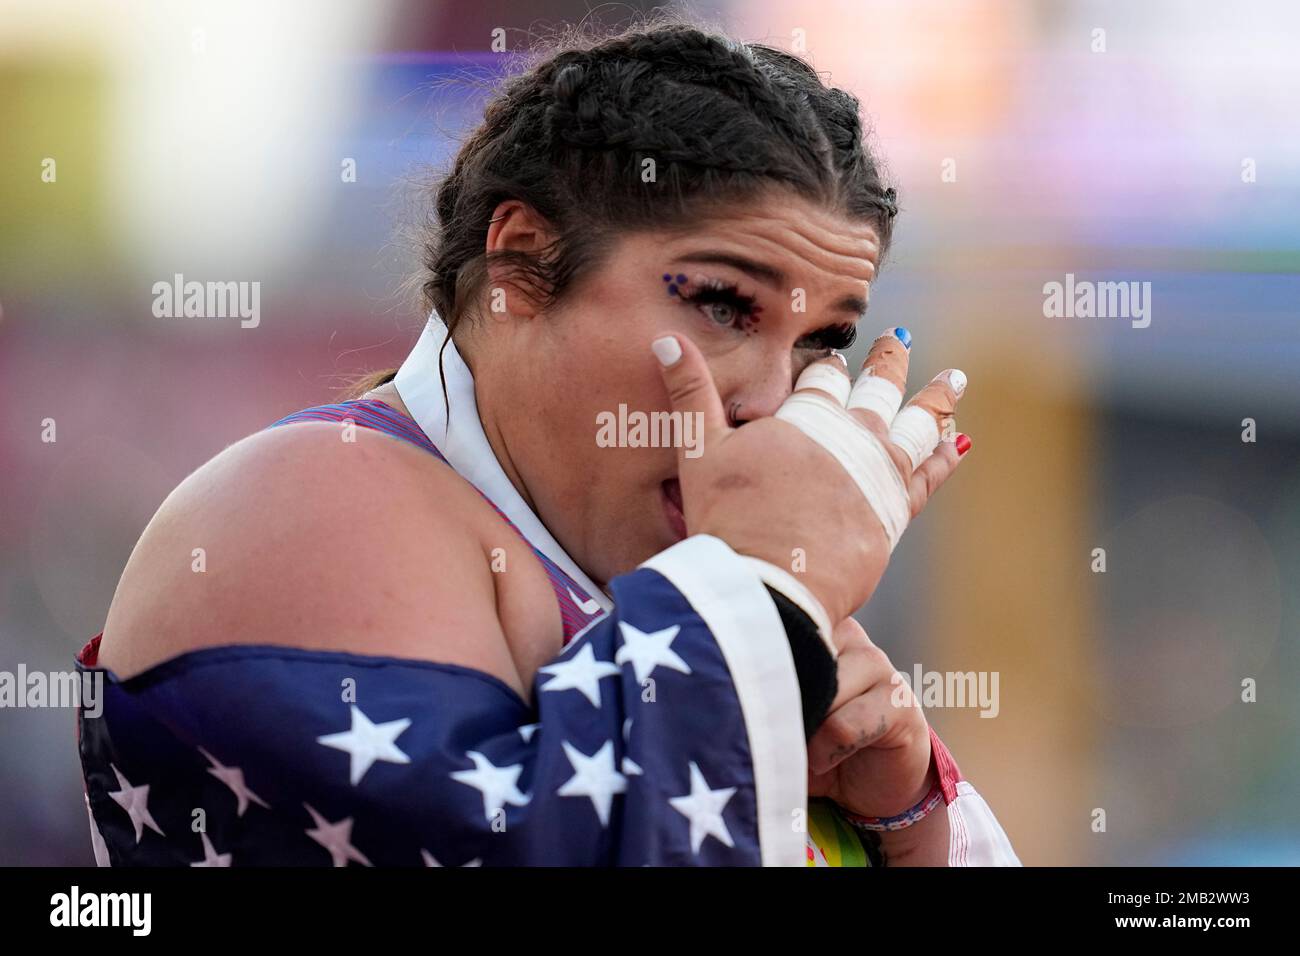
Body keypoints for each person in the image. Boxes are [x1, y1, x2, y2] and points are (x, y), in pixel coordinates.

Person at [75, 20, 1018, 867]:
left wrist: (902, 823)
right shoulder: (310, 496)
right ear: (521, 263)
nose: (772, 404)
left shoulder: (669, 581)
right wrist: (762, 604)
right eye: (724, 305)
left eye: (823, 343)